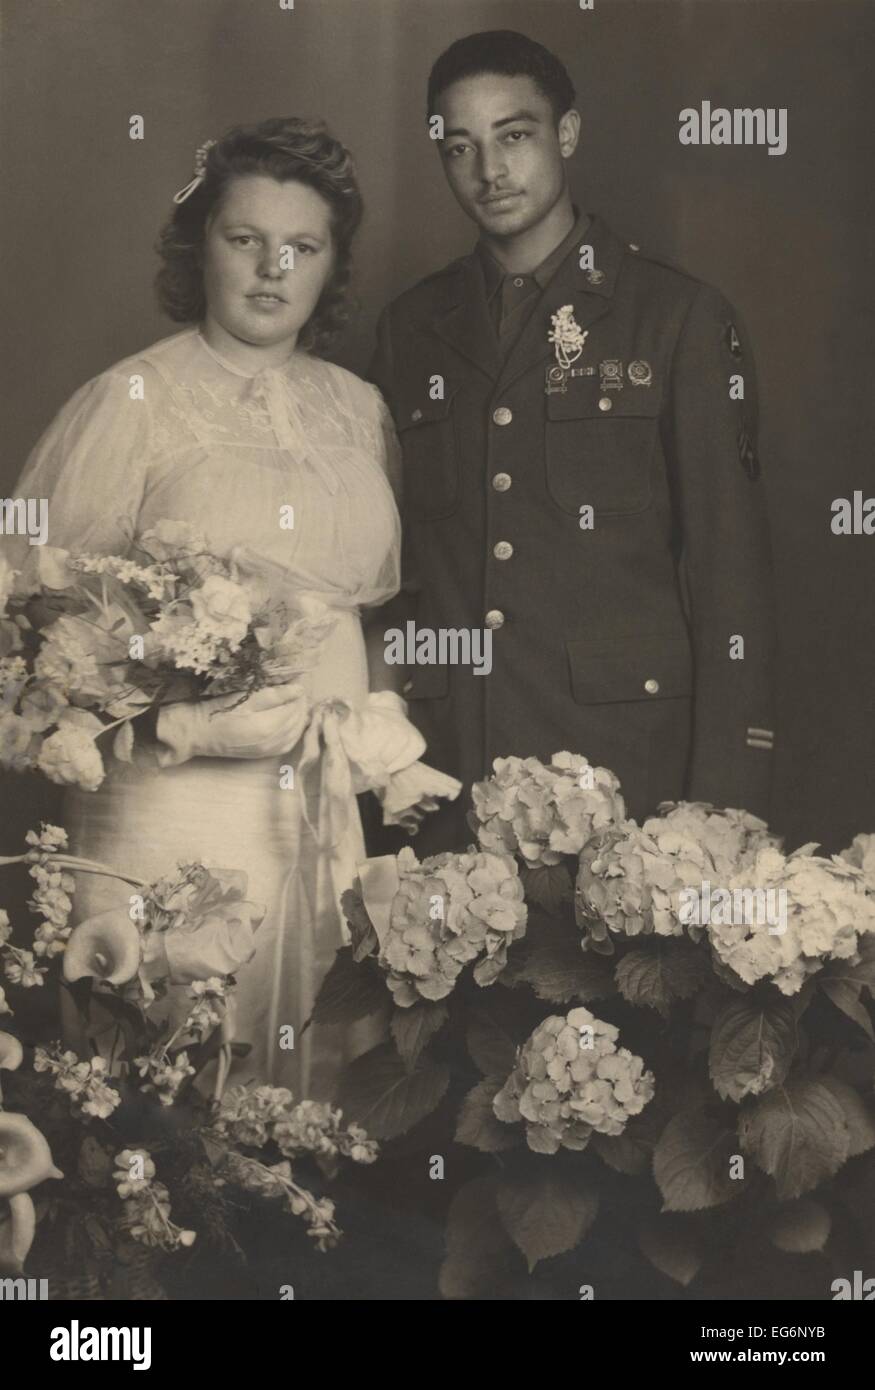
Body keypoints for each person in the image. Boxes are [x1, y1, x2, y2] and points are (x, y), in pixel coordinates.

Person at [3, 117, 454, 1099]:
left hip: (317, 792)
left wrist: (382, 741)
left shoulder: (357, 409)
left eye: (302, 246)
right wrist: (178, 711)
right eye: (243, 238)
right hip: (170, 792)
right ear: (198, 240)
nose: (270, 269)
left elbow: (369, 615)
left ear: (330, 264)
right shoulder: (130, 400)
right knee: (166, 1060)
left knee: (308, 1073)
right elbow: (40, 626)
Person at [369, 29, 777, 857]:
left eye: (513, 136)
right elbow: (392, 577)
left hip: (623, 781)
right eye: (459, 148)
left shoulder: (676, 318)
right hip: (449, 777)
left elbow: (731, 579)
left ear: (566, 135)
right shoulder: (412, 328)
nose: (489, 171)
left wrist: (722, 807)